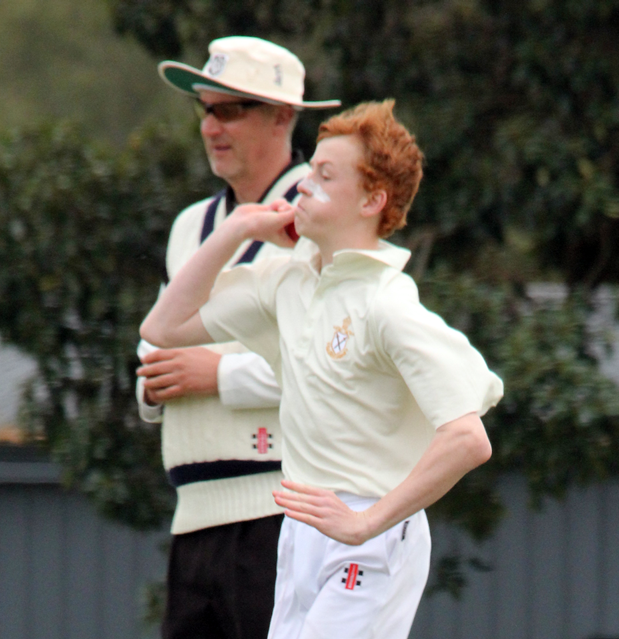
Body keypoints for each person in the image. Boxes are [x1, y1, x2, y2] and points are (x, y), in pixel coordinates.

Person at [140, 100, 503, 639]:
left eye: (325, 175)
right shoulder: (287, 284)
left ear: (372, 199)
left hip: (370, 536)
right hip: (302, 530)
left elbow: (468, 439)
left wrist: (368, 522)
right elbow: (163, 329)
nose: (304, 186)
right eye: (309, 170)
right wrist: (237, 228)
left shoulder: (388, 304)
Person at [135, 35, 340, 639]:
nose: (211, 126)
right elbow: (153, 346)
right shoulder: (189, 226)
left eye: (231, 110)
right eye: (206, 109)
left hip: (283, 514)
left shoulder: (324, 216)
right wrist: (152, 384)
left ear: (284, 117)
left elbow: (337, 360)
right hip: (192, 514)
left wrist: (215, 375)